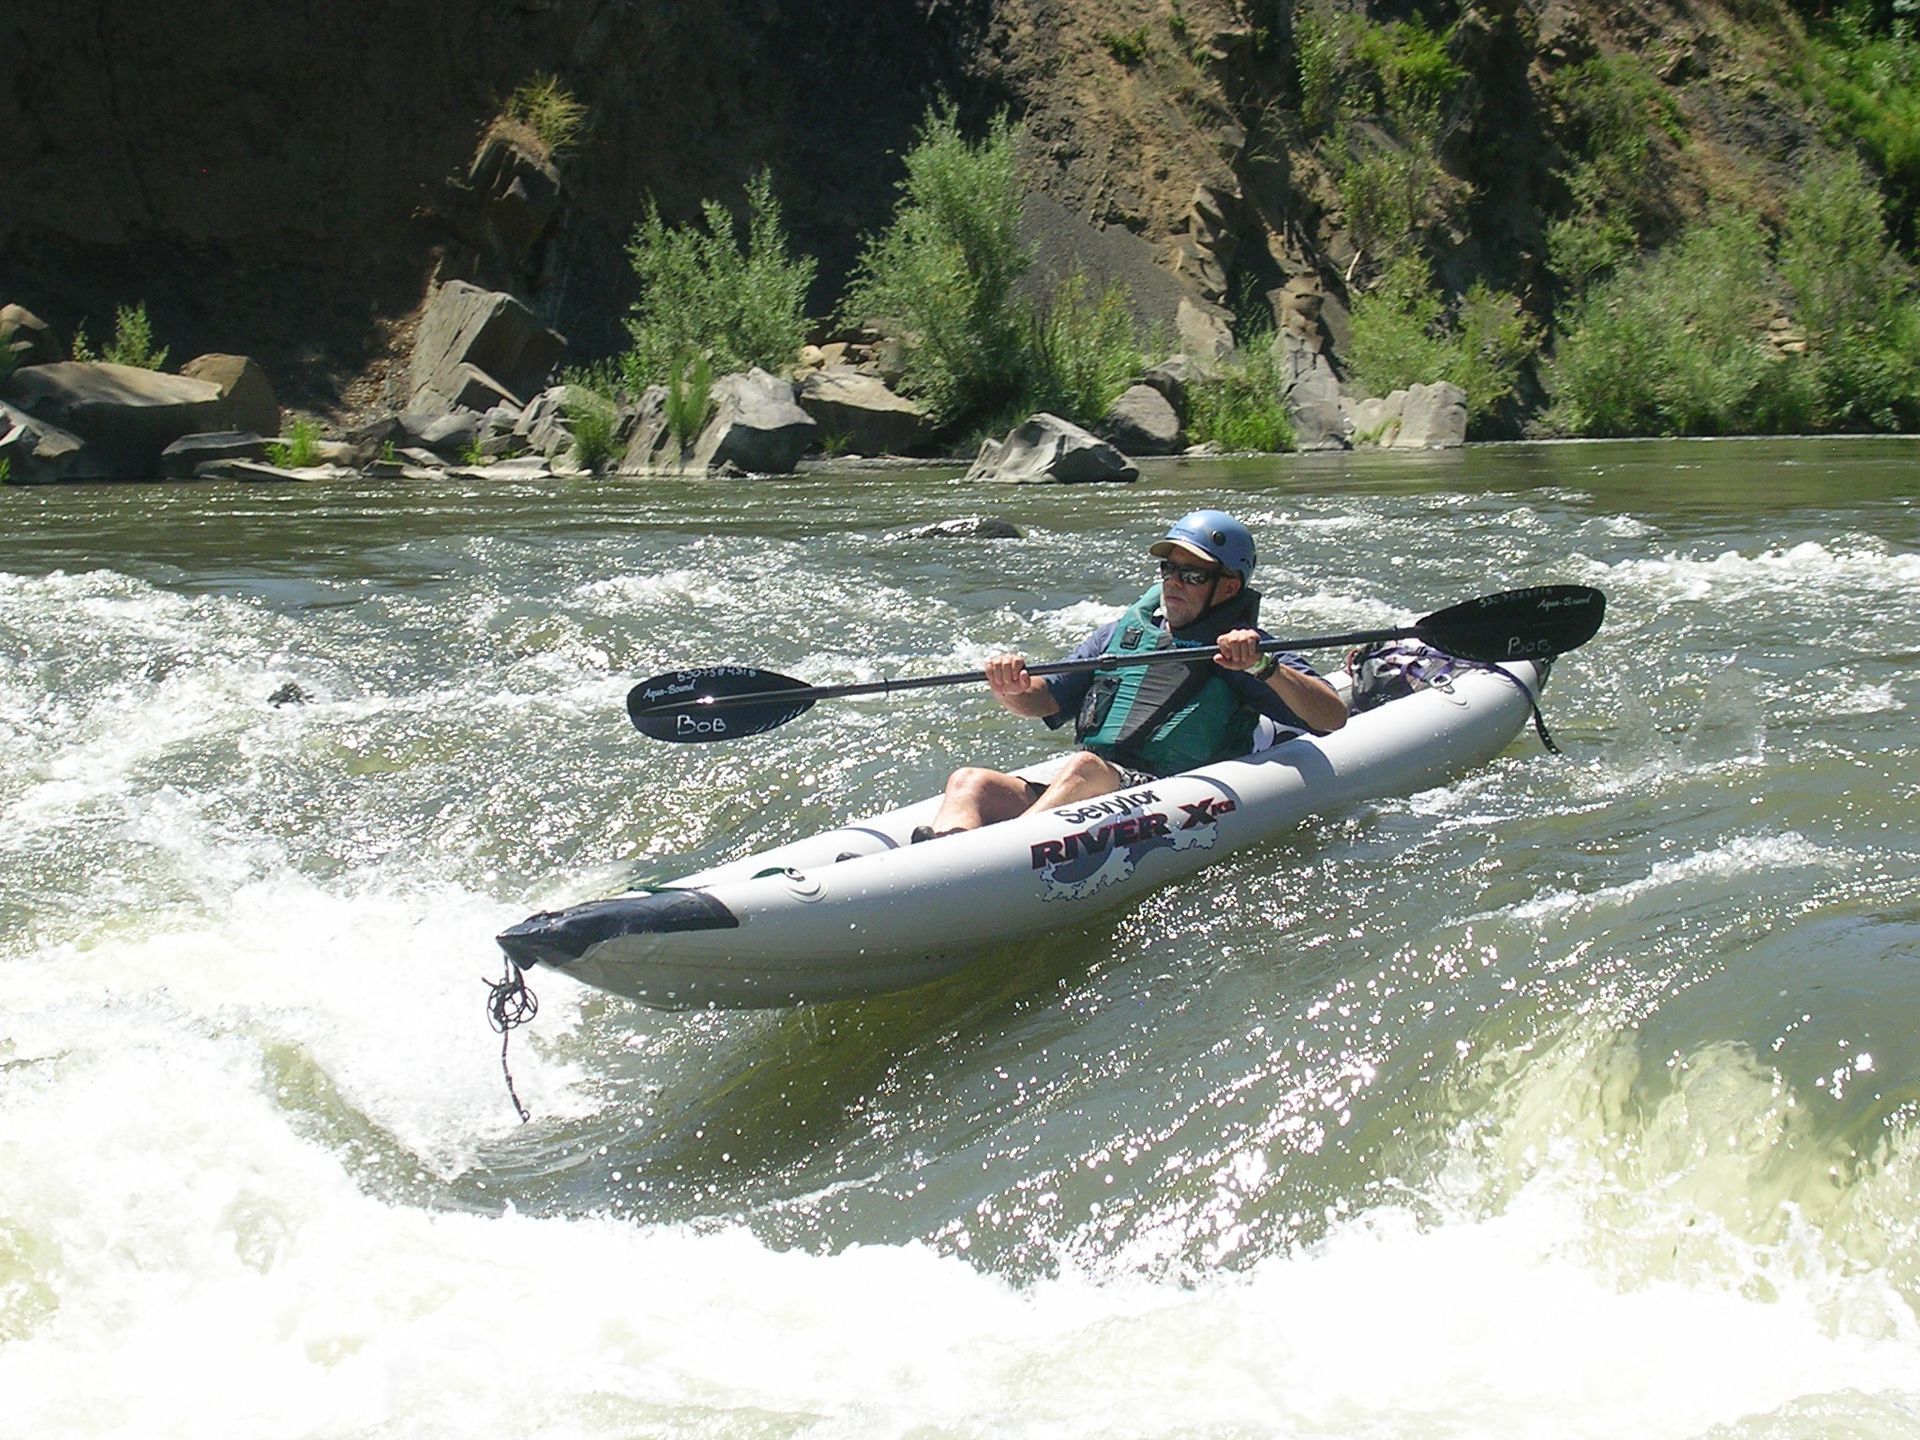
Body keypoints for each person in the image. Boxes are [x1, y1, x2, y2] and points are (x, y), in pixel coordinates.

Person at [919, 509, 1348, 839]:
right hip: (1098, 790)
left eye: (1192, 574)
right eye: (1169, 570)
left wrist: (1263, 666)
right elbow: (1044, 698)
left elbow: (1330, 716)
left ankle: (988, 857)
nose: (1174, 582)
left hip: (1171, 794)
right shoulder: (1119, 637)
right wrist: (1011, 688)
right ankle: (939, 859)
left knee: (1085, 766)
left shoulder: (1242, 649)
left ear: (1229, 587)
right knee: (969, 782)